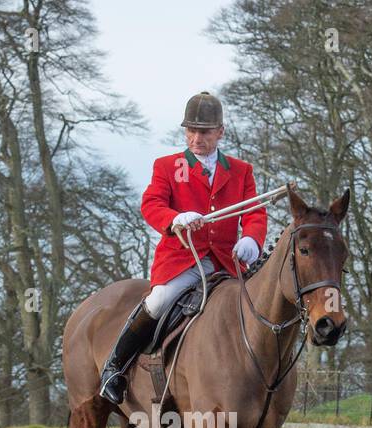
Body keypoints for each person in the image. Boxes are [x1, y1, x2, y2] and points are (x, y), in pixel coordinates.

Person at [98, 91, 267, 404]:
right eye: (190, 130)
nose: (195, 137)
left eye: (203, 131)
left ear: (220, 132)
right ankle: (115, 366)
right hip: (183, 260)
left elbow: (255, 212)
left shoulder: (241, 171)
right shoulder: (166, 166)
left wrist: (251, 240)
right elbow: (151, 204)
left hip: (228, 264)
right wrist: (175, 219)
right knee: (160, 300)